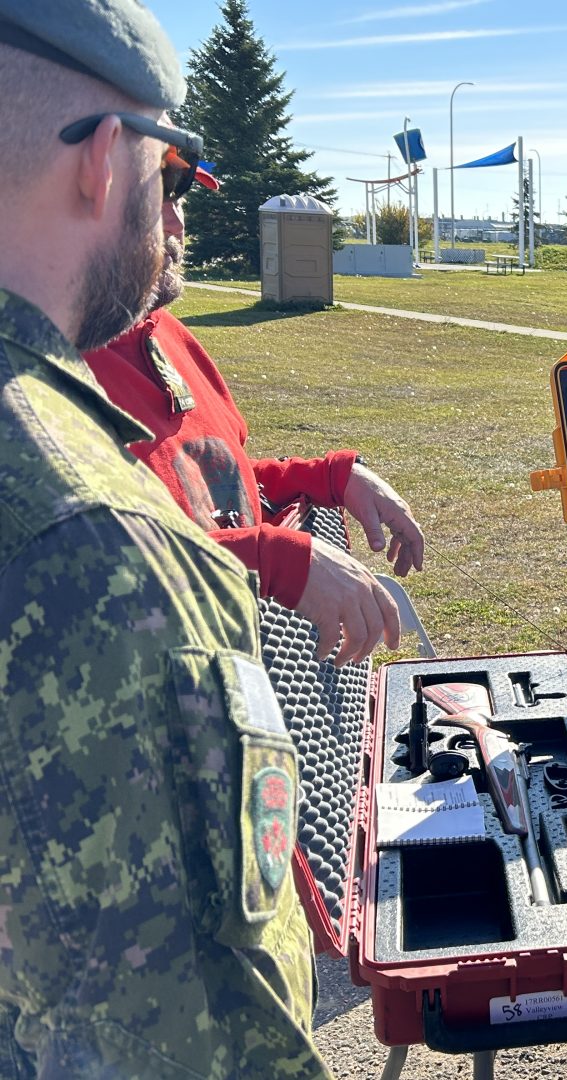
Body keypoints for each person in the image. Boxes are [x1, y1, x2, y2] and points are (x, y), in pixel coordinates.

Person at [0, 3, 331, 1076]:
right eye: (173, 167)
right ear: (105, 160)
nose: (175, 205)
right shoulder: (91, 548)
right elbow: (185, 1034)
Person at [83, 178, 423, 667]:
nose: (175, 224)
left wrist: (328, 477)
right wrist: (270, 559)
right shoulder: (32, 374)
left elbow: (211, 485)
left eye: (177, 198)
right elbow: (88, 574)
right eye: (147, 196)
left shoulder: (165, 333)